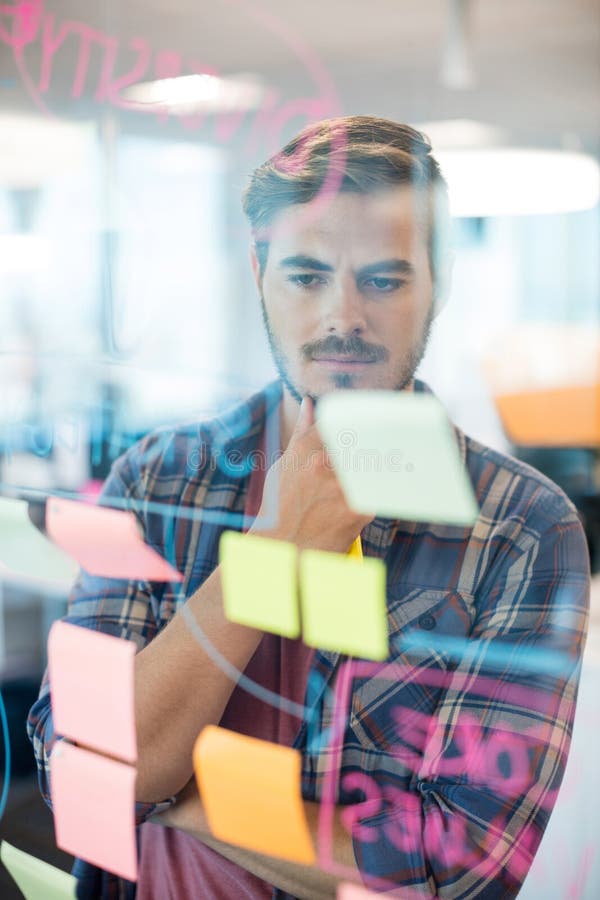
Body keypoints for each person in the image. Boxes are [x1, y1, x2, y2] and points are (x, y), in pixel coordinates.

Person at [28, 116, 590, 899]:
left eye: (384, 281)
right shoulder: (157, 481)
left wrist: (177, 794)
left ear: (440, 282)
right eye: (305, 276)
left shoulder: (522, 528)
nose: (343, 317)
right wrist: (273, 551)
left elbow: (458, 872)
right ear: (259, 272)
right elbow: (78, 767)